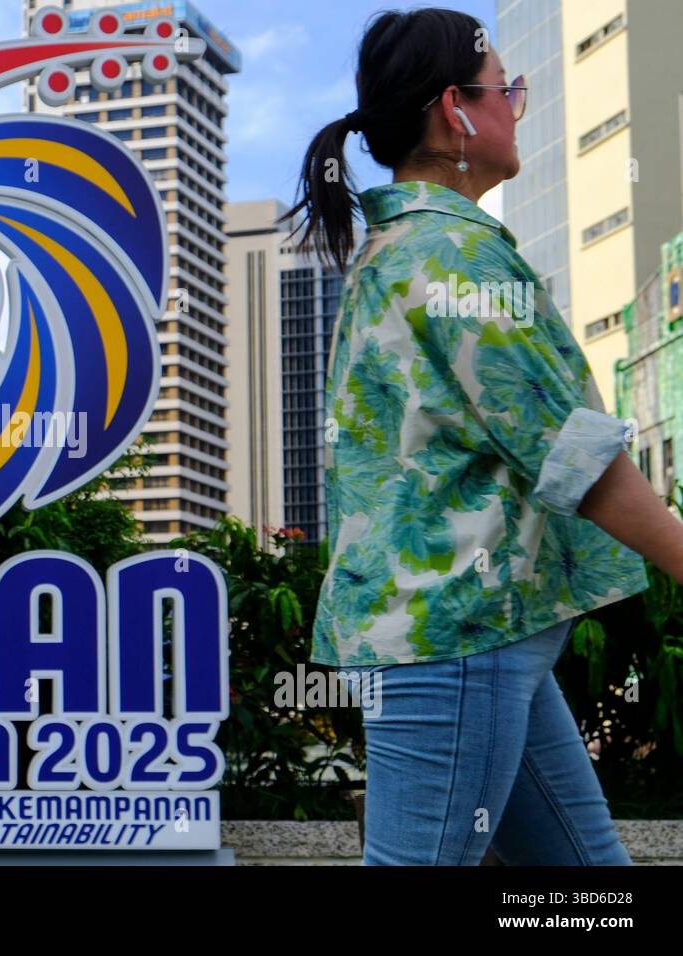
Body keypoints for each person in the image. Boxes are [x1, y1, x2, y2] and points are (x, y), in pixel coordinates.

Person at [286, 7, 683, 865]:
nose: (519, 107)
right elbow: (578, 455)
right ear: (456, 110)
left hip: (477, 633)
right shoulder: (452, 256)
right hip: (456, 629)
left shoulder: (404, 248)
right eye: (510, 89)